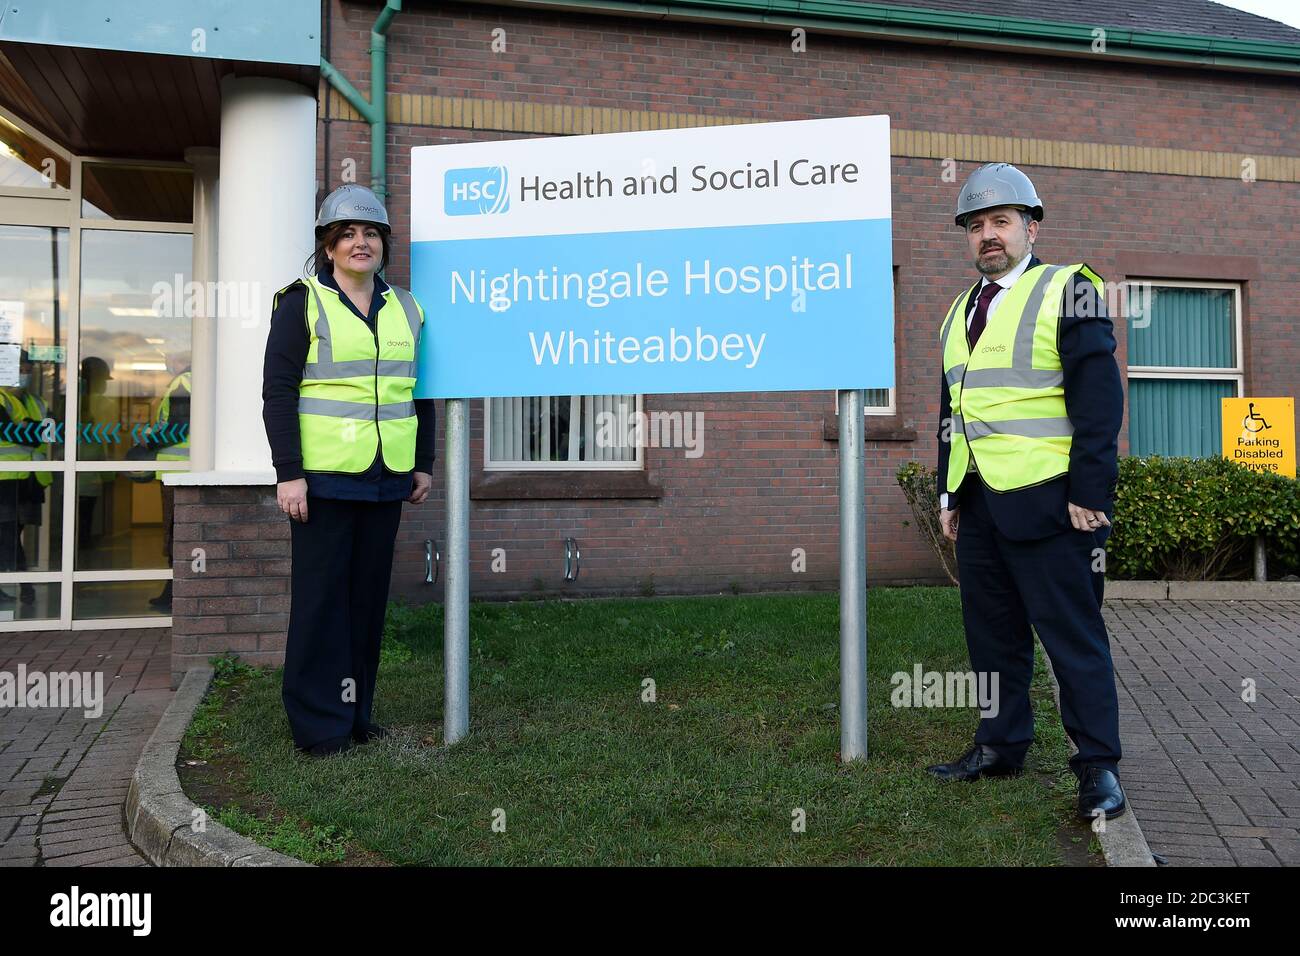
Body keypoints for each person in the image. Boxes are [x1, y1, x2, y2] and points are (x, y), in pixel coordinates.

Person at [930, 163, 1127, 822]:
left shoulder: (1069, 289)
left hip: (1053, 502)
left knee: (1072, 639)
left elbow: (1100, 400)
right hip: (982, 503)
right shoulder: (959, 311)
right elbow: (952, 410)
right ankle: (1000, 746)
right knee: (992, 639)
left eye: (1001, 222)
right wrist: (949, 493)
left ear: (1030, 227)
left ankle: (1098, 768)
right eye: (977, 225)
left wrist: (1090, 490)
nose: (989, 235)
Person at [262, 184, 434, 757]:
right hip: (323, 482)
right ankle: (318, 726)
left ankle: (356, 714)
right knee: (320, 604)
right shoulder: (300, 302)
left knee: (366, 603)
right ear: (328, 246)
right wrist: (288, 473)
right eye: (348, 234)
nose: (361, 242)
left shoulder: (408, 307)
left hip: (387, 479)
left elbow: (422, 391)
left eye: (371, 233)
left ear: (384, 244)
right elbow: (278, 393)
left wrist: (423, 464)